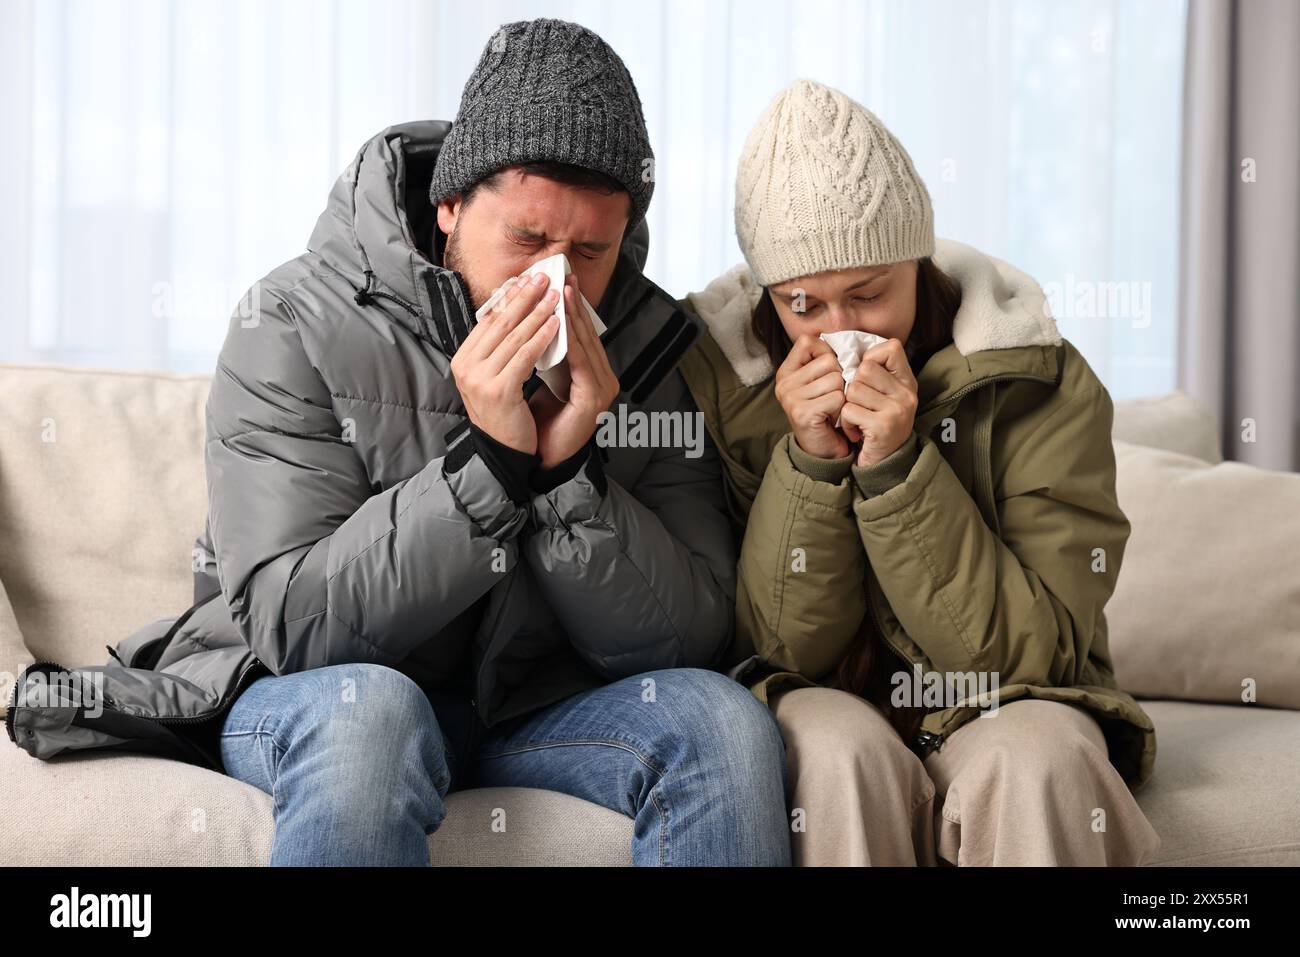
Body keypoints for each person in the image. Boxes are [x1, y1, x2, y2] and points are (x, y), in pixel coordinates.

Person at [6, 18, 792, 868]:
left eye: (589, 252)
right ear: (449, 205)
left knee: (719, 719)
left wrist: (570, 473)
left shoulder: (645, 350)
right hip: (309, 694)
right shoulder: (290, 322)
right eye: (526, 240)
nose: (555, 281)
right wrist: (488, 467)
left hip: (533, 709)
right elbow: (293, 625)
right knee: (373, 711)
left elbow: (687, 638)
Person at [677, 78, 1162, 866]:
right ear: (769, 295)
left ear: (918, 263)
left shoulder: (1042, 379)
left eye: (869, 295)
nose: (840, 332)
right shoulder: (725, 385)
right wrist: (813, 463)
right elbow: (779, 649)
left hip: (1010, 693)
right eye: (803, 305)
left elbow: (1035, 654)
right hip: (829, 697)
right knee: (833, 757)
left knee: (1037, 760)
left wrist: (900, 469)